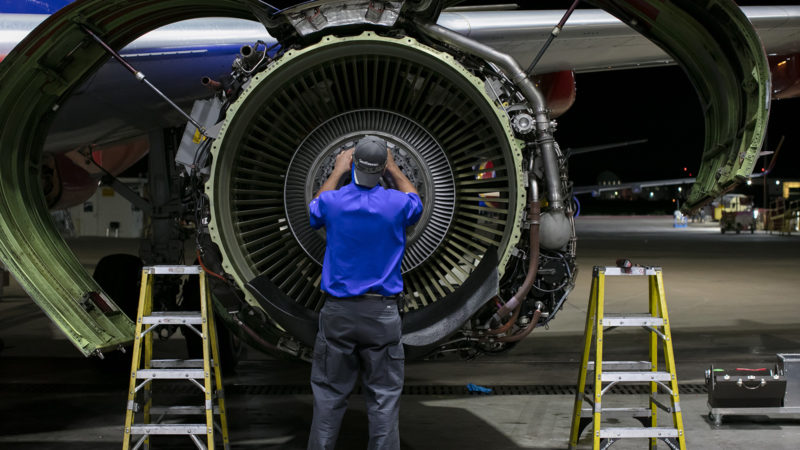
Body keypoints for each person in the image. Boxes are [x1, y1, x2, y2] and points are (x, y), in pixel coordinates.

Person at [307, 136, 423, 450]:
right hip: (382, 314)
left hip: (339, 314)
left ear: (352, 163)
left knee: (329, 398)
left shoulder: (332, 202)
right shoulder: (398, 205)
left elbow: (314, 210)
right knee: (383, 401)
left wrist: (336, 171)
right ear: (382, 167)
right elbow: (416, 202)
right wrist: (396, 169)